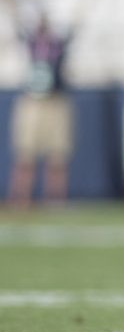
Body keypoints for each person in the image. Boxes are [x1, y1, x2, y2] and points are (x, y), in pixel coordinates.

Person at [6, 11, 75, 206]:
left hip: (55, 100)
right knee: (25, 155)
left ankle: (55, 200)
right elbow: (15, 18)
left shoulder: (58, 45)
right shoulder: (31, 43)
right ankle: (20, 199)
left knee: (57, 156)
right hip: (33, 101)